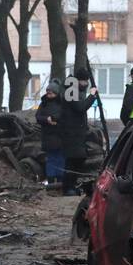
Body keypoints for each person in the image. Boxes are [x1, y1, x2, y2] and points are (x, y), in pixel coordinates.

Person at [59, 67, 94, 195]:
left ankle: (71, 186)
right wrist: (92, 96)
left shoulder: (73, 90)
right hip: (71, 133)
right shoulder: (71, 91)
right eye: (85, 81)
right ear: (80, 80)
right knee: (73, 160)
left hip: (76, 132)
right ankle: (68, 187)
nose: (86, 84)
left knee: (76, 160)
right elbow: (81, 107)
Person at [36, 79, 66, 188]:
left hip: (60, 136)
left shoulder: (62, 103)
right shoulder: (43, 103)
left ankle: (59, 181)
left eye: (51, 92)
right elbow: (38, 117)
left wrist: (54, 119)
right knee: (52, 159)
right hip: (48, 136)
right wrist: (47, 119)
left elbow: (64, 116)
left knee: (60, 159)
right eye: (48, 91)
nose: (49, 94)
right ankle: (52, 181)